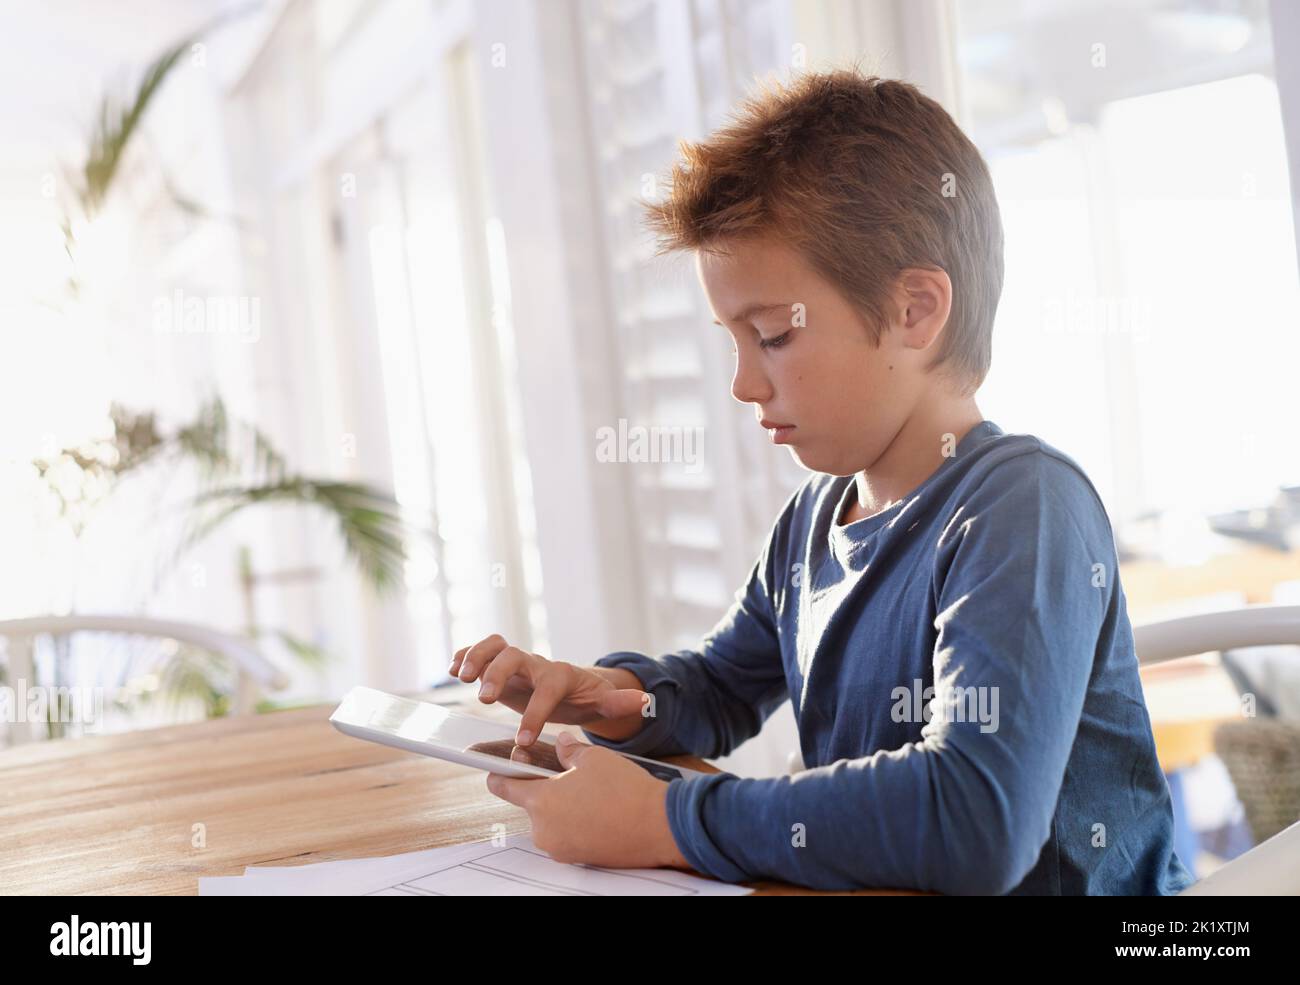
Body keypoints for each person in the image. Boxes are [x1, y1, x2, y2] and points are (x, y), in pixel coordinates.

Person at [451, 69, 1194, 895]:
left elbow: (978, 819)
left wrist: (666, 820)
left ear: (915, 311)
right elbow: (720, 688)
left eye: (773, 335)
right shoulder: (813, 522)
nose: (743, 384)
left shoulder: (1024, 510)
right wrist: (612, 696)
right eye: (734, 340)